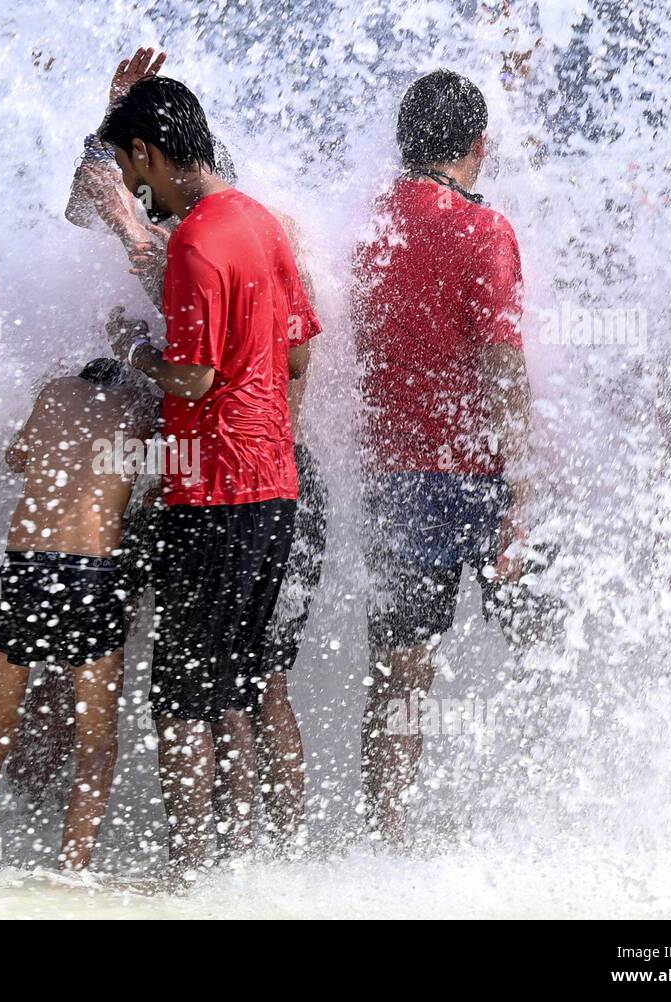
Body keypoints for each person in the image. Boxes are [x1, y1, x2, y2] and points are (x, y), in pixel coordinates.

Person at [69, 51, 325, 856]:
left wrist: (137, 352)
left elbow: (191, 374)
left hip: (211, 494)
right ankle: (246, 867)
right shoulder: (262, 223)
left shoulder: (189, 248)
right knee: (240, 694)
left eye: (130, 164)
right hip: (277, 487)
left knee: (181, 700)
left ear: (148, 159)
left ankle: (188, 875)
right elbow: (296, 359)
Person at [351, 70, 533, 845]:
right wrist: (522, 490)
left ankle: (388, 826)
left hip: (392, 476)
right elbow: (501, 364)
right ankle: (565, 792)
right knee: (546, 625)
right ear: (478, 148)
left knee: (400, 665)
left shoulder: (366, 226)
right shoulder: (483, 230)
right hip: (471, 476)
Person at [0, 356, 156, 872]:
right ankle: (71, 871)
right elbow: (148, 476)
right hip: (92, 574)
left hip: (25, 568)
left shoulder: (55, 393)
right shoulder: (141, 406)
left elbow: (16, 456)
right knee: (97, 745)